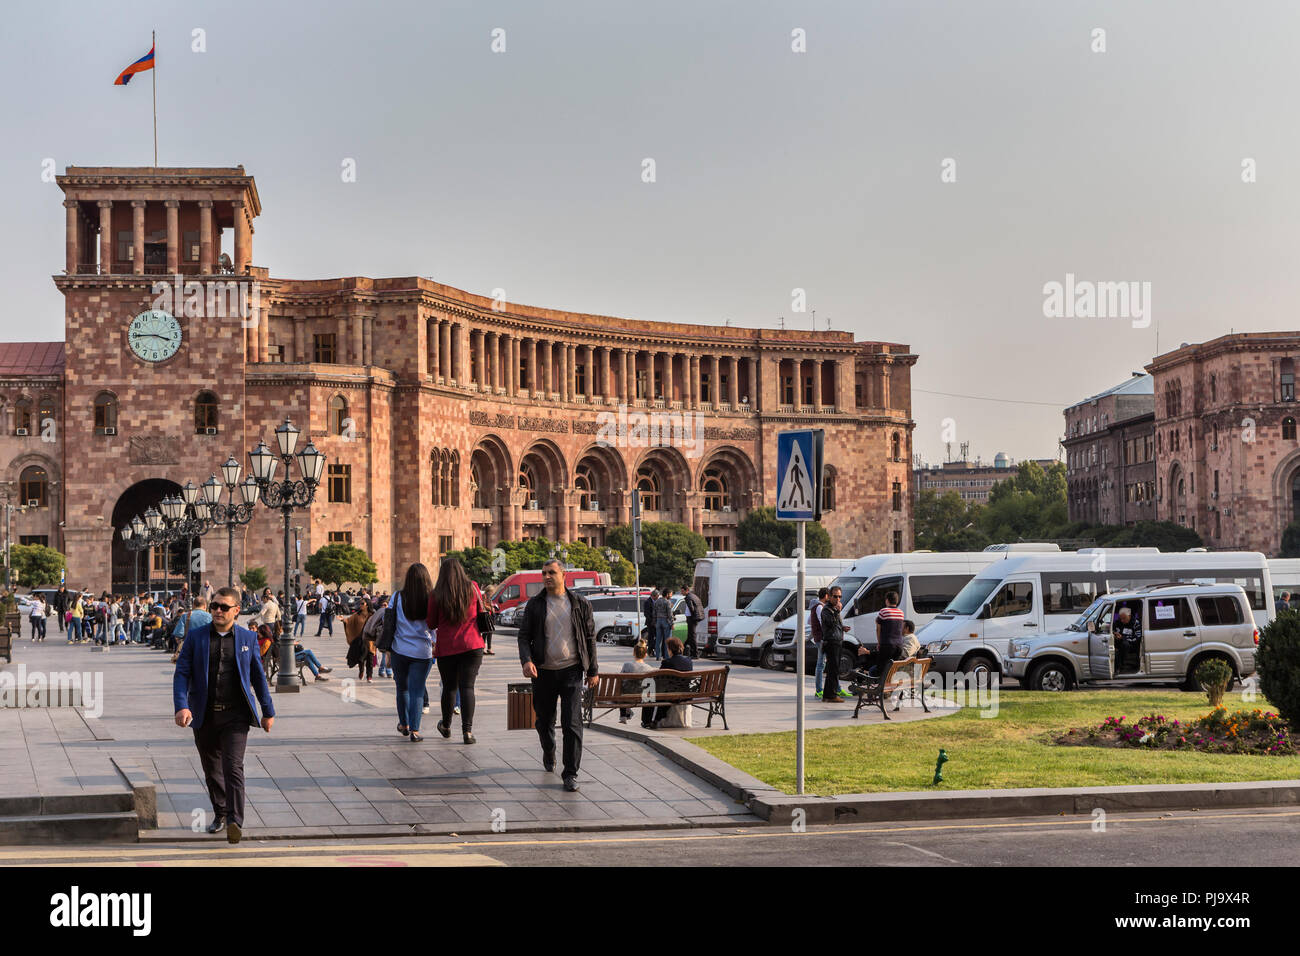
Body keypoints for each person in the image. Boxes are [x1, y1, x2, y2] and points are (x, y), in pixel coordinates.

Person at [173, 586, 275, 844]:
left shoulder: (247, 639)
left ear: (237, 611)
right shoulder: (196, 637)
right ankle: (220, 813)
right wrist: (181, 705)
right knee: (211, 769)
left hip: (236, 716)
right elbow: (182, 673)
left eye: (223, 607)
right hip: (204, 714)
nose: (217, 611)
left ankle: (234, 822)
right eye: (214, 606)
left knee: (233, 767)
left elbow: (258, 677)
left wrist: (267, 711)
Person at [517, 558, 598, 792]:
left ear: (564, 575)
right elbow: (524, 636)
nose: (546, 577)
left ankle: (570, 773)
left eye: (551, 572)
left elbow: (590, 638)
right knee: (544, 721)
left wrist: (593, 670)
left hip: (572, 671)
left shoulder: (580, 604)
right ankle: (549, 748)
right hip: (543, 672)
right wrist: (527, 660)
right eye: (543, 573)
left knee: (572, 723)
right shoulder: (535, 604)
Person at [426, 557, 486, 745]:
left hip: (448, 647)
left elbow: (431, 623)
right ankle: (467, 732)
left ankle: (446, 726)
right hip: (472, 645)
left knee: (449, 687)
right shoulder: (473, 587)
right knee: (467, 687)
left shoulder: (436, 594)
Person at [389, 563, 436, 741]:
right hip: (422, 652)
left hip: (399, 650)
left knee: (402, 689)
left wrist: (387, 650)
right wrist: (435, 643)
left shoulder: (396, 597)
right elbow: (434, 626)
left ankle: (404, 724)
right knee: (417, 691)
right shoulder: (431, 598)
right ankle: (415, 731)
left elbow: (390, 623)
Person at [648, 636, 694, 728]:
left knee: (649, 692)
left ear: (670, 649)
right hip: (686, 693)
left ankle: (647, 721)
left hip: (671, 695)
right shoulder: (688, 661)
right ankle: (656, 719)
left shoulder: (667, 662)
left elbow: (659, 678)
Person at [868, 590, 906, 698]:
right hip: (899, 645)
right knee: (892, 670)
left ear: (887, 600)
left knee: (880, 669)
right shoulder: (901, 612)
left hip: (887, 644)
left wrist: (879, 643)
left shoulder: (883, 611)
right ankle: (890, 691)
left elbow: (878, 628)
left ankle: (879, 692)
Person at [820, 585, 850, 703]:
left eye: (840, 597)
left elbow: (836, 624)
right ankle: (830, 695)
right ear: (829, 596)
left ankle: (829, 694)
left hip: (837, 640)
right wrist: (838, 611)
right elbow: (831, 623)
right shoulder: (827, 610)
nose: (838, 599)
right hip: (831, 642)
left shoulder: (833, 609)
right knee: (833, 669)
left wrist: (842, 628)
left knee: (834, 669)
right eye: (835, 596)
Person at [619, 640, 654, 724]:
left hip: (626, 696)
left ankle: (623, 715)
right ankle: (646, 720)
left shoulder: (627, 665)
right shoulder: (649, 669)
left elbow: (620, 680)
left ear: (634, 653)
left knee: (622, 687)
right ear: (645, 655)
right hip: (643, 697)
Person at [170, 596, 213, 662]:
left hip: (189, 646)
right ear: (205, 606)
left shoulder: (185, 616)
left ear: (193, 605)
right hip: (206, 646)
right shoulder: (210, 616)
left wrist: (178, 640)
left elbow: (179, 633)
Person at [1113, 605, 1142, 673]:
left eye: (1124, 618)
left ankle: (1122, 667)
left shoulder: (1136, 623)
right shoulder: (1117, 622)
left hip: (1131, 644)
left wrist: (1123, 638)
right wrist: (1114, 634)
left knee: (1125, 644)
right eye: (1121, 618)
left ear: (1129, 616)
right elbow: (1113, 630)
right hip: (1118, 642)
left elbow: (1138, 637)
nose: (1122, 620)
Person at [811, 587, 828, 699]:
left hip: (818, 637)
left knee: (823, 663)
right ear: (826, 596)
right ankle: (819, 690)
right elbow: (822, 621)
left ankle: (822, 689)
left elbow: (809, 620)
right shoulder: (820, 607)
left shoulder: (814, 606)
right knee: (821, 664)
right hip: (821, 638)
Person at [682, 585, 704, 658]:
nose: (682, 592)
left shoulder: (689, 597)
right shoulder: (693, 596)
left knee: (692, 636)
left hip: (692, 618)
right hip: (695, 618)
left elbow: (691, 608)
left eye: (682, 591)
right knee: (690, 636)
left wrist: (691, 617)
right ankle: (682, 649)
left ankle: (695, 654)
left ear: (686, 590)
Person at [651, 589, 672, 661]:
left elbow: (654, 613)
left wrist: (655, 622)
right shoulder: (667, 602)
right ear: (667, 594)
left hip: (658, 621)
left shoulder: (657, 601)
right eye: (670, 594)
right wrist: (672, 623)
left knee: (658, 640)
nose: (671, 595)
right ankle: (667, 656)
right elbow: (669, 614)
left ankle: (658, 656)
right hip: (665, 621)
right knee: (667, 640)